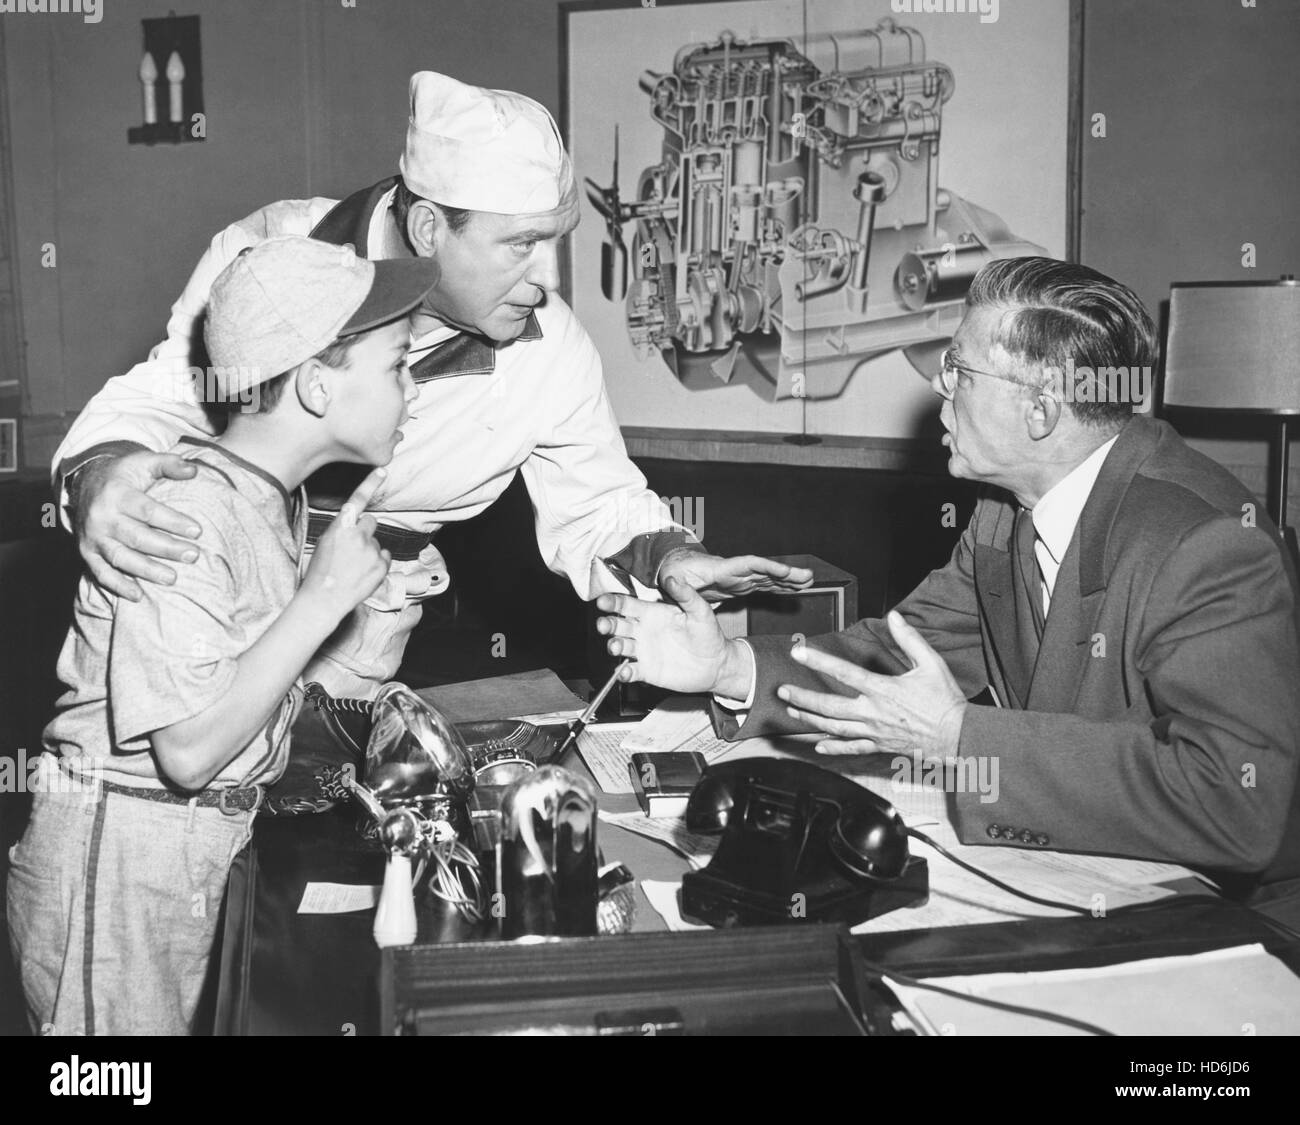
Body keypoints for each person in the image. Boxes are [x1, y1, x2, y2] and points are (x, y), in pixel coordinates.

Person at [53, 70, 811, 698]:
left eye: (551, 244)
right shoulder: (272, 259)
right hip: (198, 603)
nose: (545, 279)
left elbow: (600, 506)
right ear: (427, 233)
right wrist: (101, 478)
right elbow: (155, 403)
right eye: (520, 245)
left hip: (357, 635)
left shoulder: (548, 350)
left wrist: (674, 561)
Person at [594, 257, 1300, 926]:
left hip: (1225, 915)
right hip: (1075, 874)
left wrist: (961, 738)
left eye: (958, 367)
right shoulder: (1006, 508)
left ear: (1041, 411)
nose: (939, 384)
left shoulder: (1207, 543)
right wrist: (727, 666)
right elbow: (895, 656)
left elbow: (1235, 802)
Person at [7, 236, 440, 1034]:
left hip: (193, 847)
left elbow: (254, 697)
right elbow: (190, 748)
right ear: (315, 384)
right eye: (397, 365)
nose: (413, 389)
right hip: (122, 859)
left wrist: (364, 628)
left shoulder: (270, 498)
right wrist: (320, 600)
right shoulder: (182, 508)